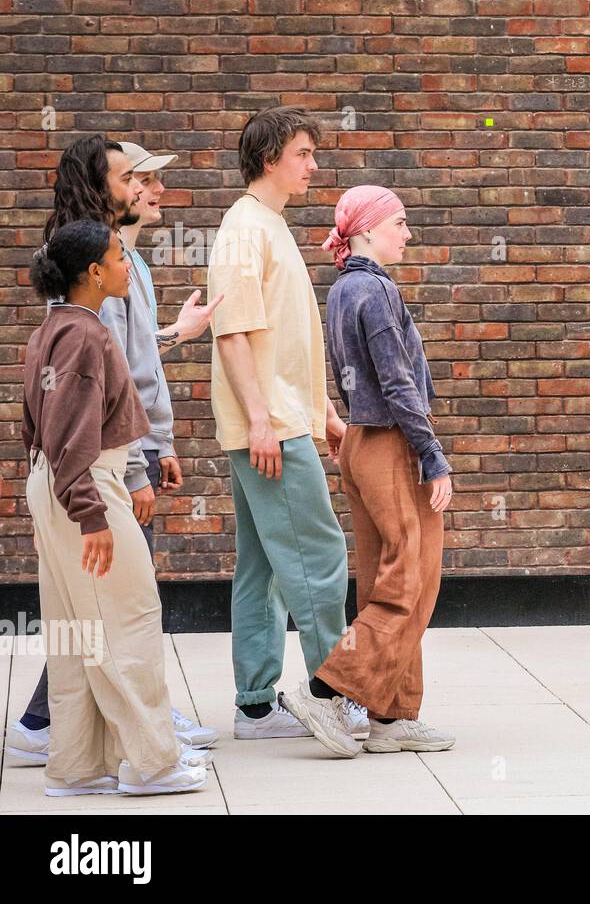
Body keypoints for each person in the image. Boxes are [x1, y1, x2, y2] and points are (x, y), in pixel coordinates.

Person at [5, 135, 220, 765]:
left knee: (111, 600)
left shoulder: (124, 261)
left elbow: (129, 361)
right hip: (109, 461)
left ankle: (68, 722)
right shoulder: (87, 264)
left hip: (132, 450)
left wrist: (164, 437)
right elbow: (93, 379)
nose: (146, 189)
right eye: (132, 178)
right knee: (117, 603)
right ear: (99, 188)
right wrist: (135, 465)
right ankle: (78, 723)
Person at [206, 107, 366, 740]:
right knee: (320, 555)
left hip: (282, 421)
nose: (313, 164)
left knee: (262, 565)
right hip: (268, 430)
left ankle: (254, 706)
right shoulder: (244, 230)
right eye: (303, 153)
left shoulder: (268, 228)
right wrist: (263, 422)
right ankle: (336, 694)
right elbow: (233, 333)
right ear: (270, 158)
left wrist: (323, 411)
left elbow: (290, 344)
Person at [281, 186, 455, 758]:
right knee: (411, 580)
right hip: (389, 442)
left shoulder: (341, 288)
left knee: (386, 578)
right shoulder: (376, 290)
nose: (407, 234)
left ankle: (393, 716)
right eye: (399, 223)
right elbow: (399, 382)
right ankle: (327, 693)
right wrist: (431, 453)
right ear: (367, 229)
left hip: (361, 439)